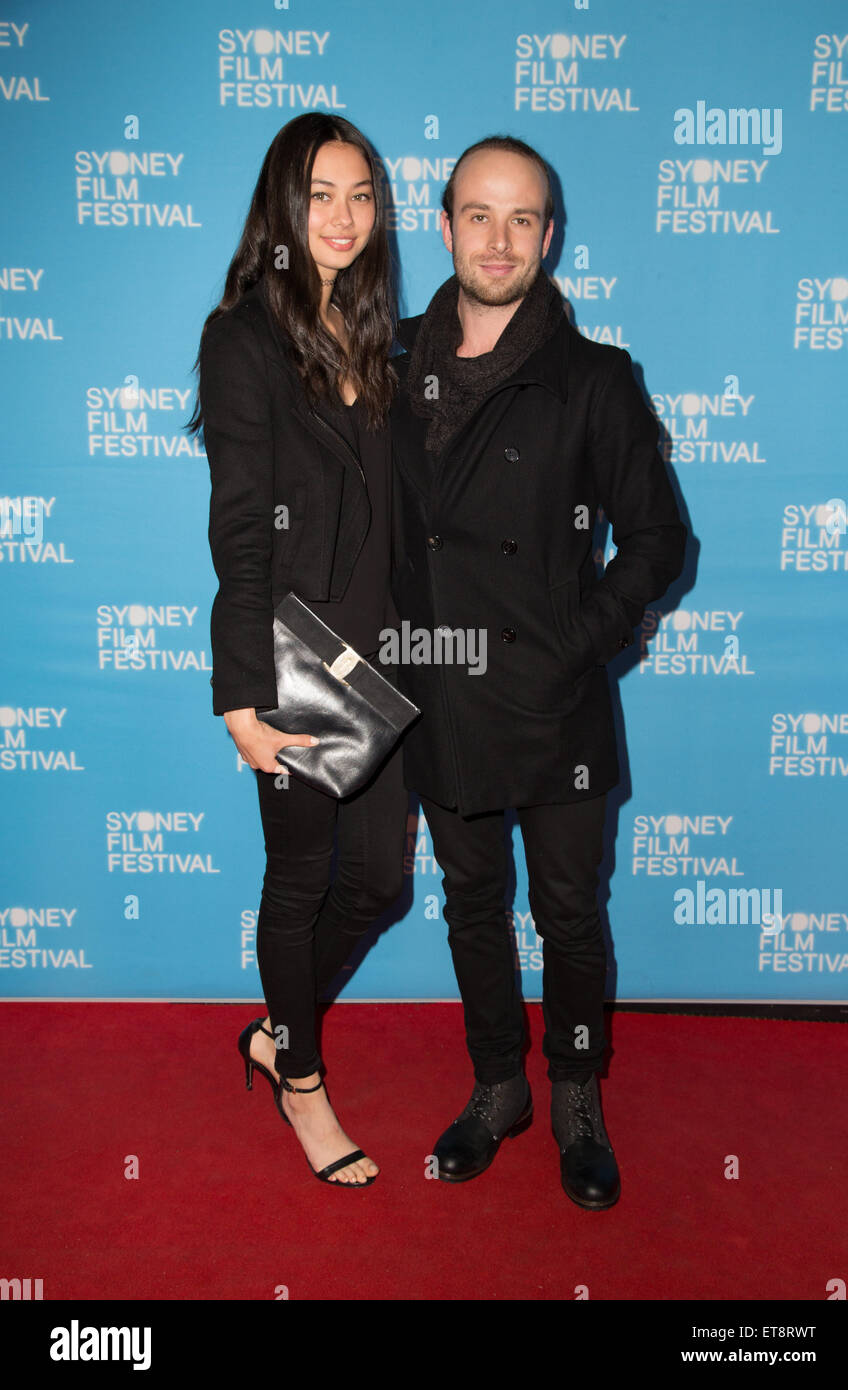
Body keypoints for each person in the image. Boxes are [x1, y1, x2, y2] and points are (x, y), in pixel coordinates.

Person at [388, 135, 687, 1208]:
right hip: (438, 691)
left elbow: (658, 540)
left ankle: (571, 1091)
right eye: (479, 214)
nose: (500, 239)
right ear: (445, 225)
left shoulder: (595, 379)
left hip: (556, 701)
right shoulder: (388, 364)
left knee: (568, 915)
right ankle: (496, 1086)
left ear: (549, 235)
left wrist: (581, 637)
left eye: (523, 219)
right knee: (472, 906)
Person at [187, 113, 408, 1187]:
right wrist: (241, 693)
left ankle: (277, 1028)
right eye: (320, 193)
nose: (342, 216)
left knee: (380, 883)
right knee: (304, 876)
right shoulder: (243, 339)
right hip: (297, 656)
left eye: (361, 194)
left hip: (381, 660)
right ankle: (304, 1083)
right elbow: (239, 529)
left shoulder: (383, 338)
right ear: (282, 205)